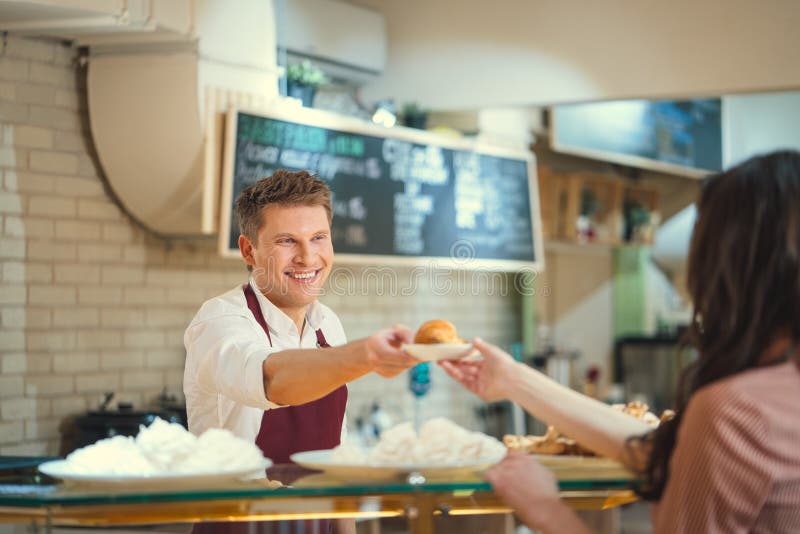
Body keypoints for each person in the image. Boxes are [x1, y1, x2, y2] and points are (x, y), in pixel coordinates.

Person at [442, 150, 800, 533]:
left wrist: (543, 509)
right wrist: (512, 379)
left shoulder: (735, 410)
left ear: (728, 266)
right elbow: (661, 452)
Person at [184, 169, 419, 534]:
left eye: (318, 237)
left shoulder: (328, 324)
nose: (308, 257)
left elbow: (334, 461)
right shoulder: (220, 320)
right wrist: (363, 357)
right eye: (286, 241)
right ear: (249, 250)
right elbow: (271, 378)